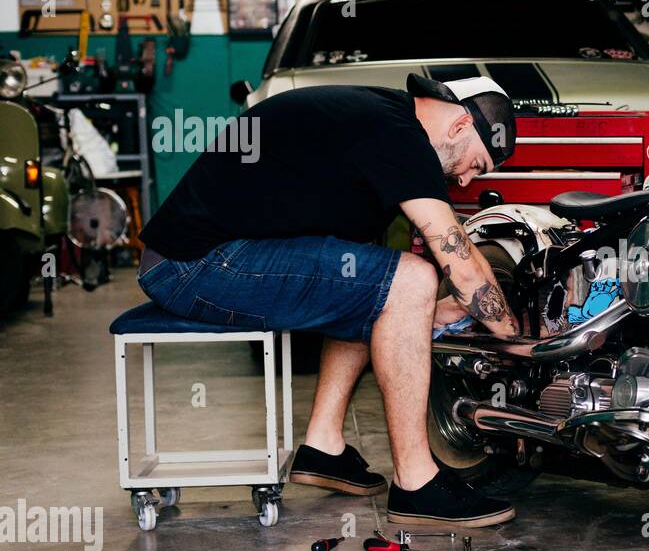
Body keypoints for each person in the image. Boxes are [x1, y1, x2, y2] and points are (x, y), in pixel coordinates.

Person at [137, 75, 520, 527]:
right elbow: (462, 261)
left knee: (377, 280)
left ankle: (323, 446)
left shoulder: (382, 116)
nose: (465, 178)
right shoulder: (396, 135)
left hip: (199, 257)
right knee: (411, 278)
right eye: (476, 164)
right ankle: (417, 485)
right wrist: (517, 341)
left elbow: (384, 292)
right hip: (192, 265)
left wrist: (433, 313)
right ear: (458, 126)